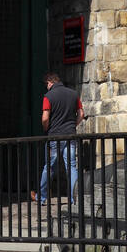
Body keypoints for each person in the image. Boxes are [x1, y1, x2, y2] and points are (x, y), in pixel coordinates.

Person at [36, 72, 84, 205]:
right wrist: (73, 125)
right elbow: (81, 113)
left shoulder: (48, 96)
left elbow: (45, 117)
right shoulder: (74, 94)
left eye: (46, 85)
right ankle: (74, 198)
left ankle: (42, 197)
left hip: (55, 136)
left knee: (49, 167)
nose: (46, 87)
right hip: (70, 135)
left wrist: (46, 128)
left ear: (50, 82)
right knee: (72, 167)